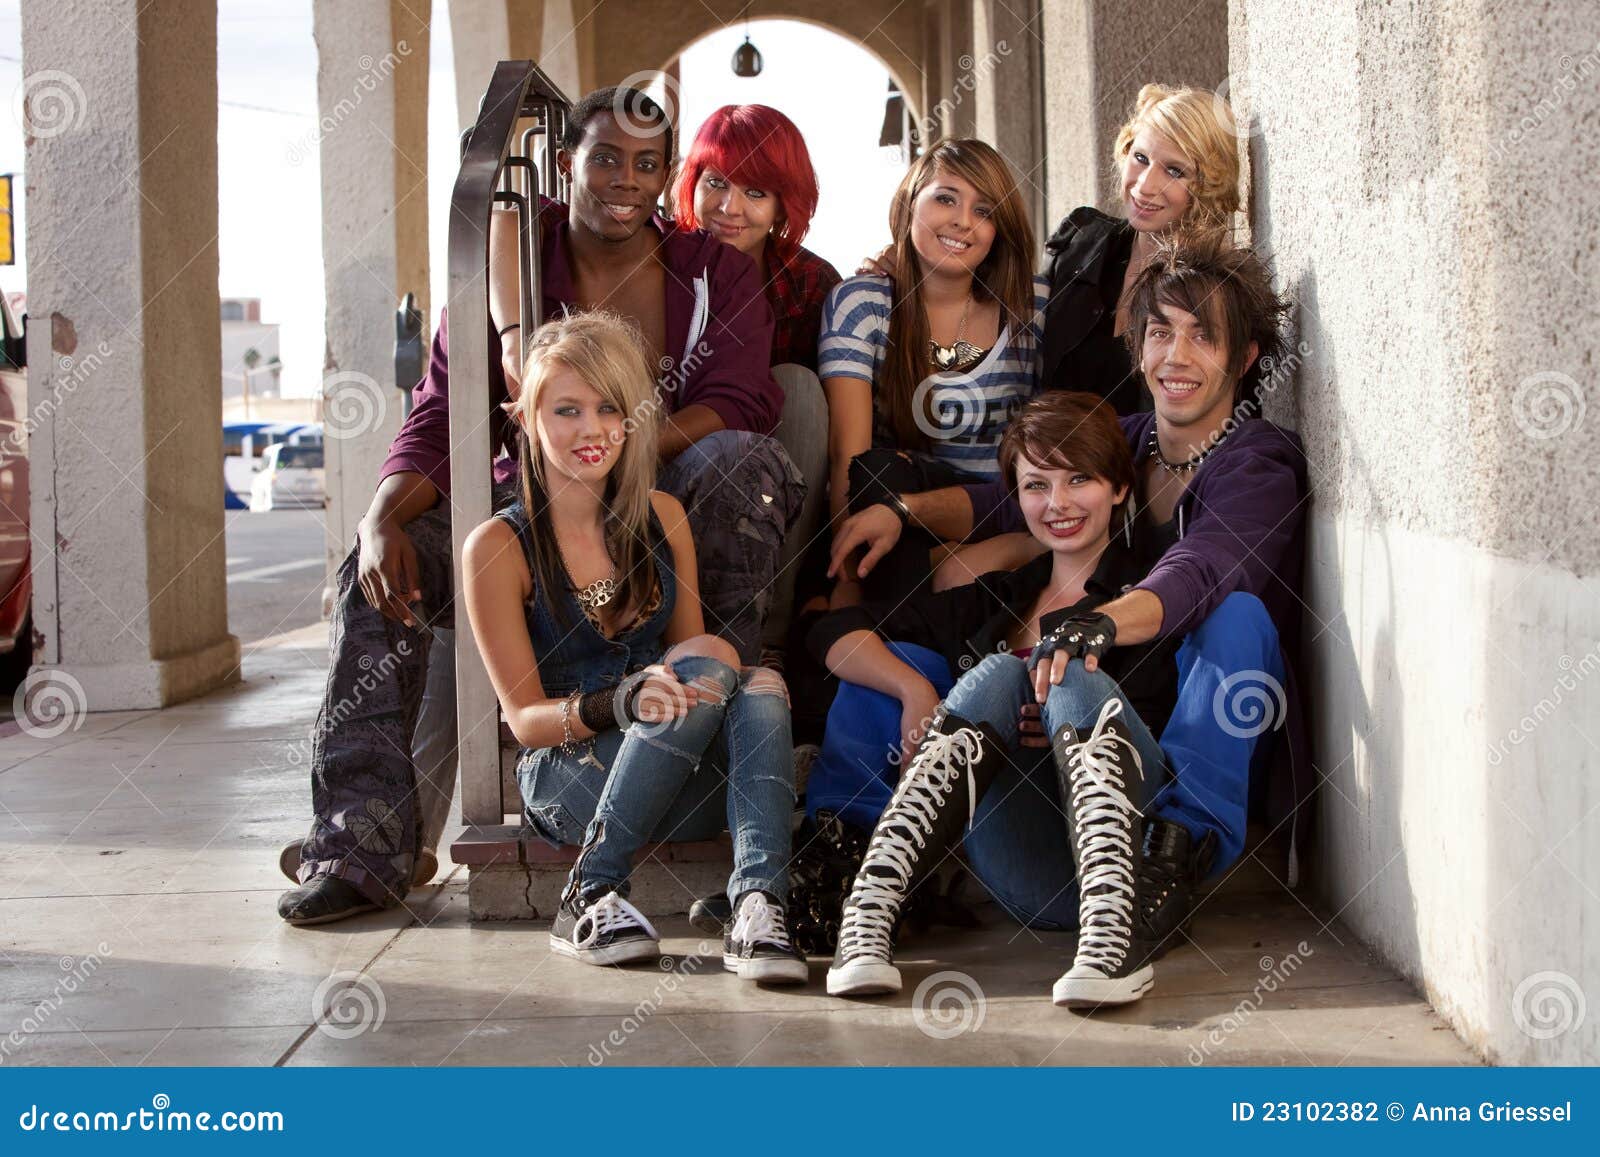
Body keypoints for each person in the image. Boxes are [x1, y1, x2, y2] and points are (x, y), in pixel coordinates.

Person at [277, 85, 801, 927]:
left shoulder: (714, 271)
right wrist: (380, 518)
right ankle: (358, 846)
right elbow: (443, 408)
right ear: (567, 164)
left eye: (645, 164)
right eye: (603, 158)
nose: (623, 179)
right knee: (372, 570)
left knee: (747, 463)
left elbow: (740, 399)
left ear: (668, 178)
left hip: (659, 518)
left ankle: (719, 740)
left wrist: (611, 452)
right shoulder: (513, 261)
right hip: (533, 519)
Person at [821, 234, 1309, 987]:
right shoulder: (1132, 443)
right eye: (1160, 331)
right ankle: (856, 875)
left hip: (1176, 755)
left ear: (1244, 361)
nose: (1175, 355)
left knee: (1233, 617)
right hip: (1048, 822)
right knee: (945, 665)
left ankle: (1170, 859)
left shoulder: (1259, 460)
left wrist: (1104, 621)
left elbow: (1208, 566)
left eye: (1203, 336)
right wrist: (908, 510)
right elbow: (1007, 497)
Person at [460, 311, 806, 982]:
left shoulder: (663, 517)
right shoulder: (498, 547)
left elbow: (697, 655)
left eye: (609, 408)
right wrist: (621, 701)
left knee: (756, 687)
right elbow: (525, 722)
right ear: (527, 419)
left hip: (670, 771)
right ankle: (589, 890)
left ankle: (759, 905)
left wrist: (728, 673)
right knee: (713, 675)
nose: (591, 429)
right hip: (570, 778)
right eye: (566, 409)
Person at [811, 391, 1179, 1005]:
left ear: (1118, 488)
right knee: (1003, 673)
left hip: (1136, 877)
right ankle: (869, 916)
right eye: (1036, 485)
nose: (1057, 503)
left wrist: (1062, 717)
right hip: (1026, 870)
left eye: (1079, 479)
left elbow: (1170, 740)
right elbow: (826, 634)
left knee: (1061, 665)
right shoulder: (1001, 598)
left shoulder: (1152, 593)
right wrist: (915, 688)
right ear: (1017, 498)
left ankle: (1117, 942)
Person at [818, 138, 1048, 607]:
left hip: (1008, 510)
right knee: (876, 472)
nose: (963, 220)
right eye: (946, 198)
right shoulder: (864, 305)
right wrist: (846, 583)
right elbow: (850, 459)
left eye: (984, 210)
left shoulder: (1034, 305)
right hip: (905, 521)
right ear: (909, 204)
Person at [670, 103, 843, 655]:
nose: (729, 208)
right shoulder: (659, 259)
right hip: (672, 462)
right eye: (716, 183)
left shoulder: (812, 282)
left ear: (783, 204)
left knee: (798, 386)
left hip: (771, 485)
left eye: (755, 192)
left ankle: (768, 629)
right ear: (691, 183)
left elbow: (832, 430)